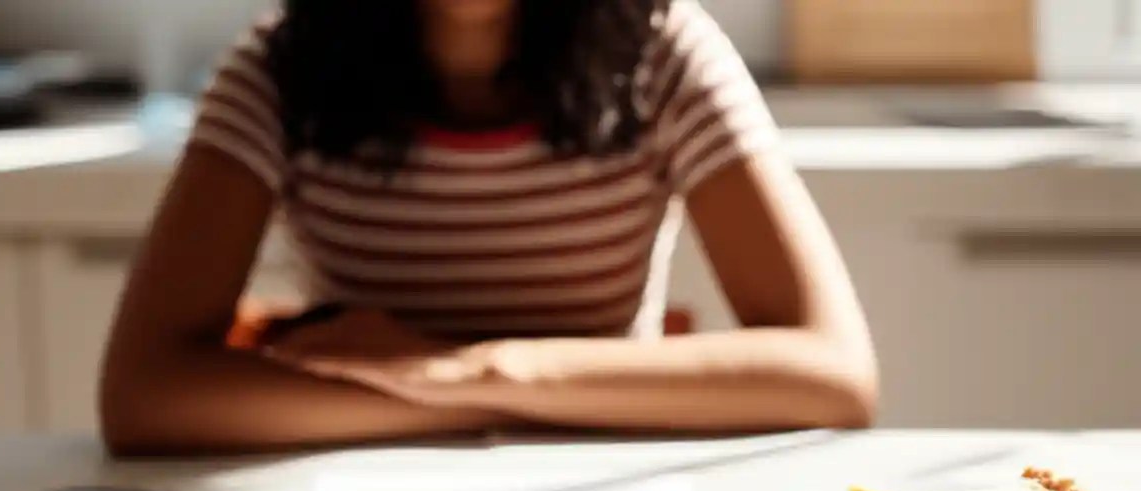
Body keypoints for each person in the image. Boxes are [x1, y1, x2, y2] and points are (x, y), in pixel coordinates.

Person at [99, 0, 879, 456]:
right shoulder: (278, 69)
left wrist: (472, 371)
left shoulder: (661, 50)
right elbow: (141, 393)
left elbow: (833, 373)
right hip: (364, 487)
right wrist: (473, 389)